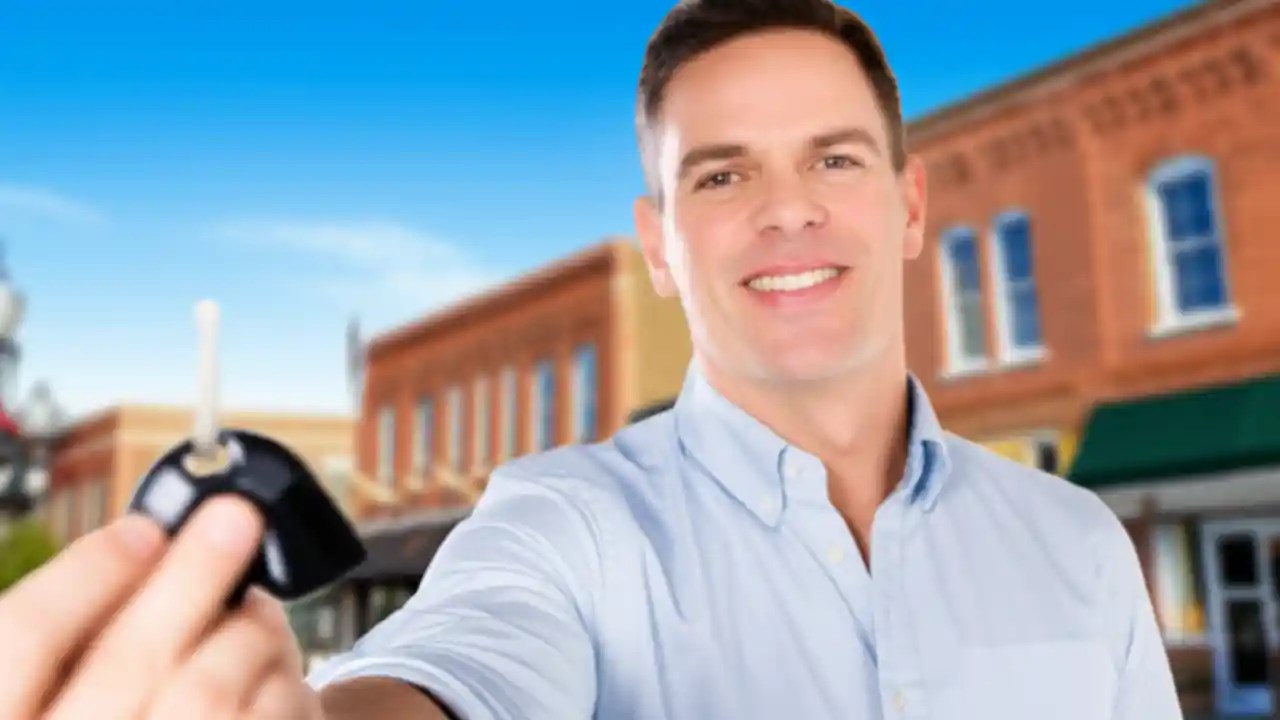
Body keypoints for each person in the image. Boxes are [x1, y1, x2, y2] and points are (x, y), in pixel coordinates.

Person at [0, 0, 1183, 718]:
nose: (784, 212)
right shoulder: (566, 527)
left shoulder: (1074, 543)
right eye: (720, 174)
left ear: (909, 205)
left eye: (833, 160)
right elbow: (464, 663)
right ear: (658, 245)